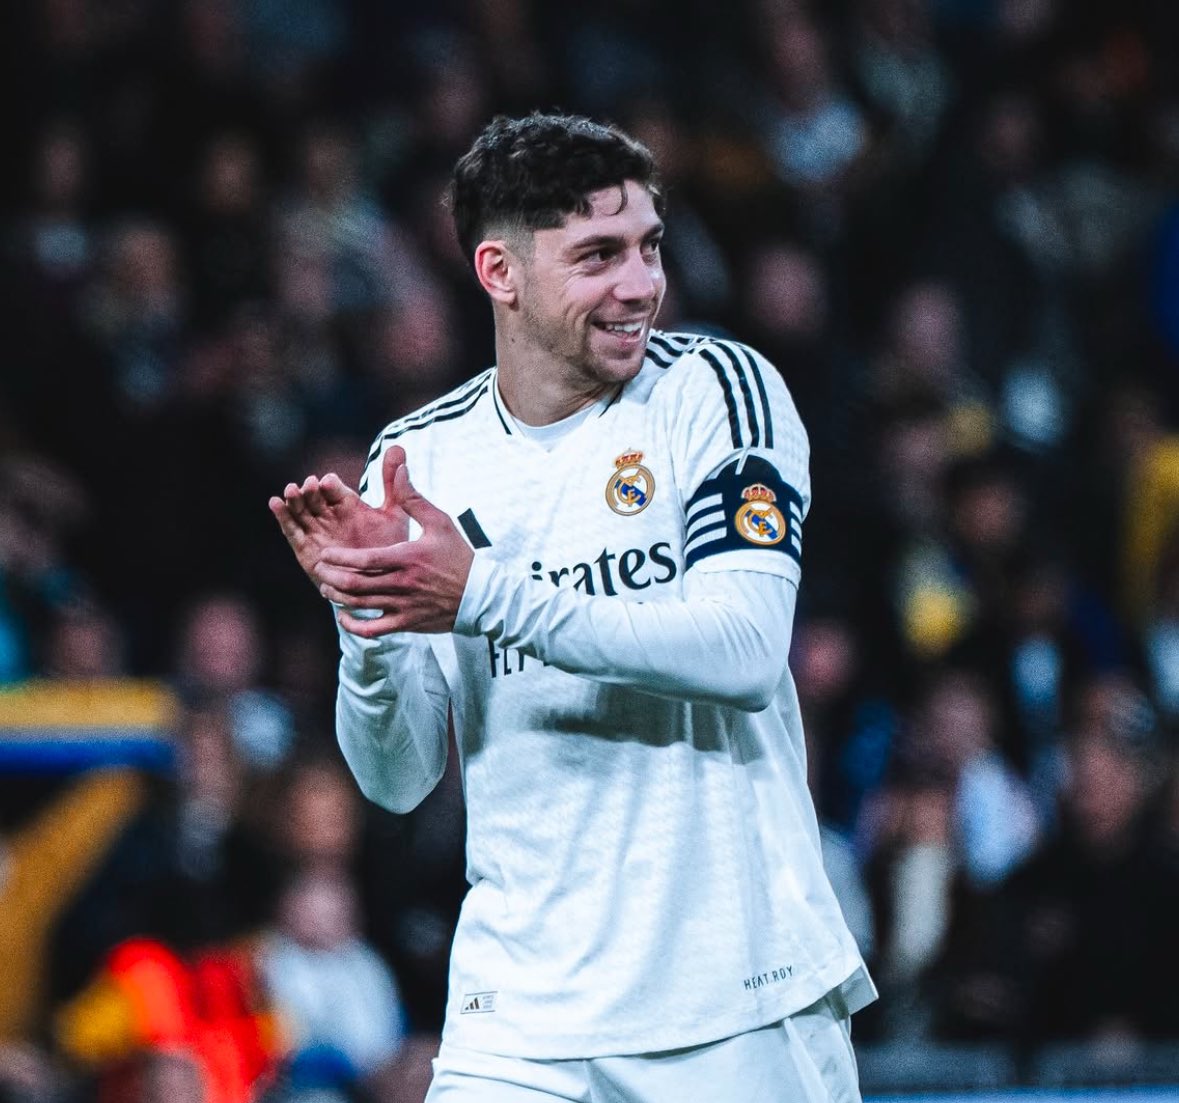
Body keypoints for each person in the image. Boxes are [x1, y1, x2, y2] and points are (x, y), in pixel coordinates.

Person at [270, 112, 875, 1103]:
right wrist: (365, 623)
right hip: (520, 1015)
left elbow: (744, 648)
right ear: (499, 272)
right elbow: (396, 778)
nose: (640, 284)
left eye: (649, 247)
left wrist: (480, 593)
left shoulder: (717, 392)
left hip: (733, 998)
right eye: (598, 256)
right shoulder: (420, 457)